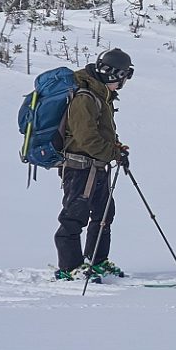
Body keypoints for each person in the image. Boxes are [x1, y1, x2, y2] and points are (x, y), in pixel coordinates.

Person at [53, 48, 134, 281]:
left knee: (104, 213)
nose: (122, 84)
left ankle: (96, 261)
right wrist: (112, 153)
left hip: (97, 166)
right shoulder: (85, 98)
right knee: (74, 215)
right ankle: (70, 267)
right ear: (112, 75)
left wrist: (116, 149)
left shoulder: (101, 96)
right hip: (80, 167)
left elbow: (102, 132)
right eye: (122, 79)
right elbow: (86, 138)